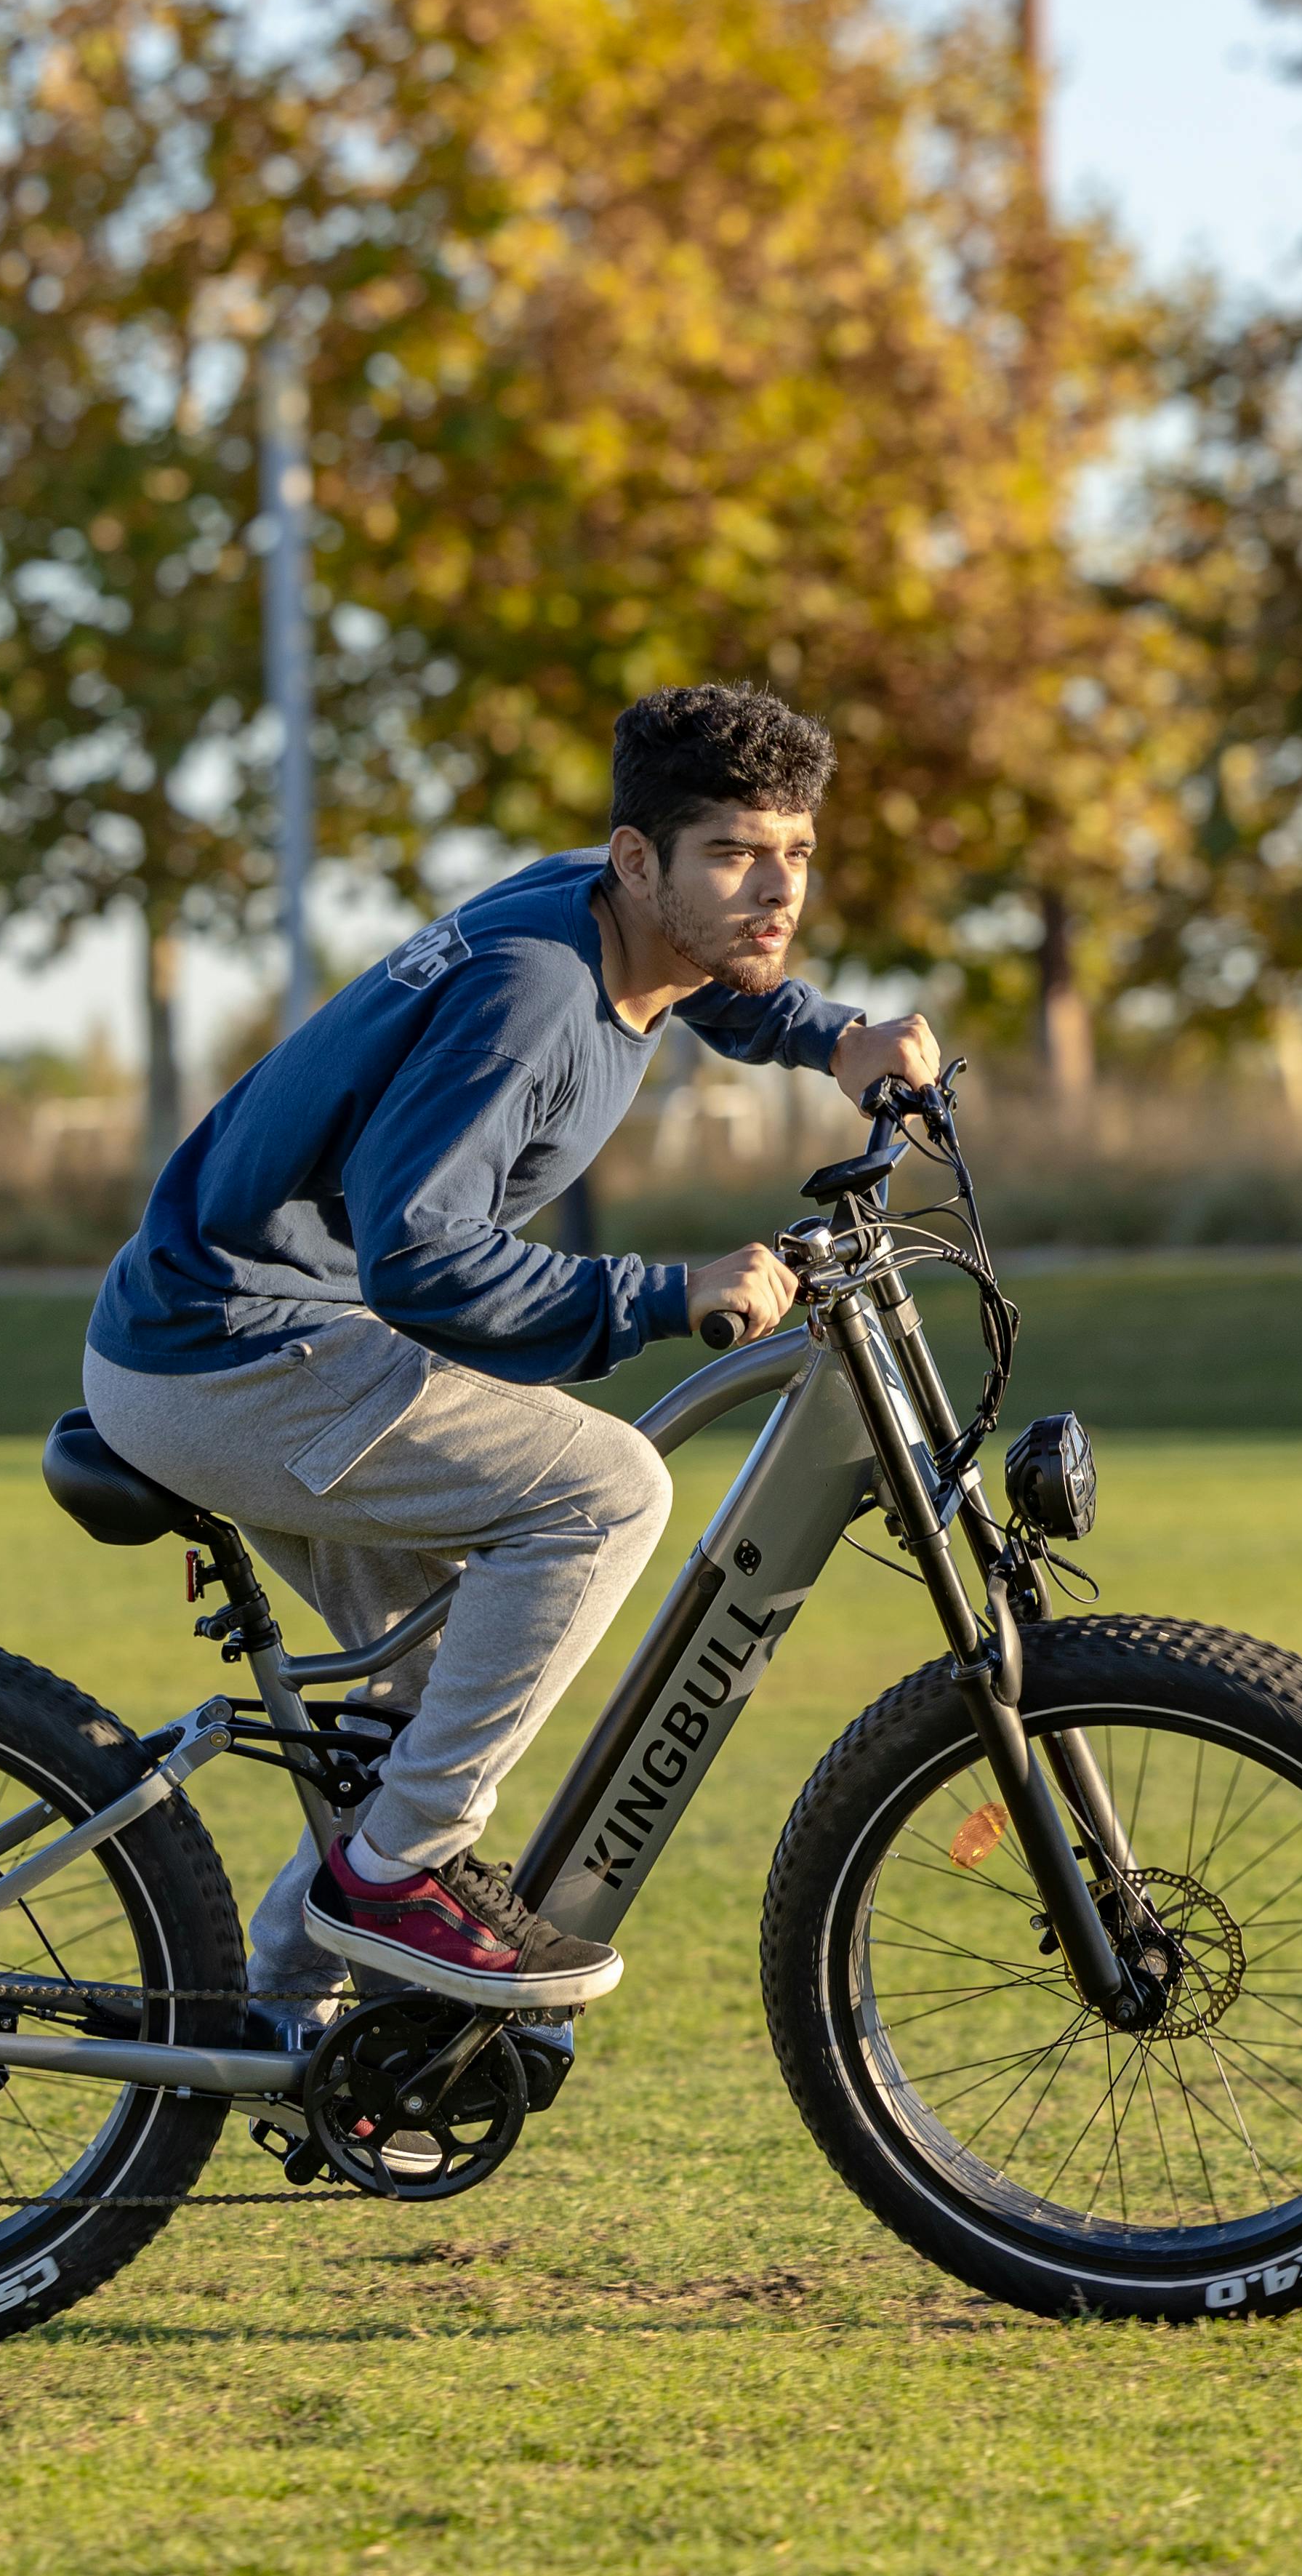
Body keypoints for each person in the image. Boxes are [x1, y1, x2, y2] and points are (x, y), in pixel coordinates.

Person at [79, 684, 939, 2039]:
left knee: (428, 1698)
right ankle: (396, 1876)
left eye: (799, 854)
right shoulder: (532, 995)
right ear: (638, 858)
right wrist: (666, 1293)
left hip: (253, 1329)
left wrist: (832, 1036)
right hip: (233, 1348)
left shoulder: (595, 907)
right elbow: (421, 1255)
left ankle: (295, 2029)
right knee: (607, 1490)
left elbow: (723, 973)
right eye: (734, 854)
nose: (776, 891)